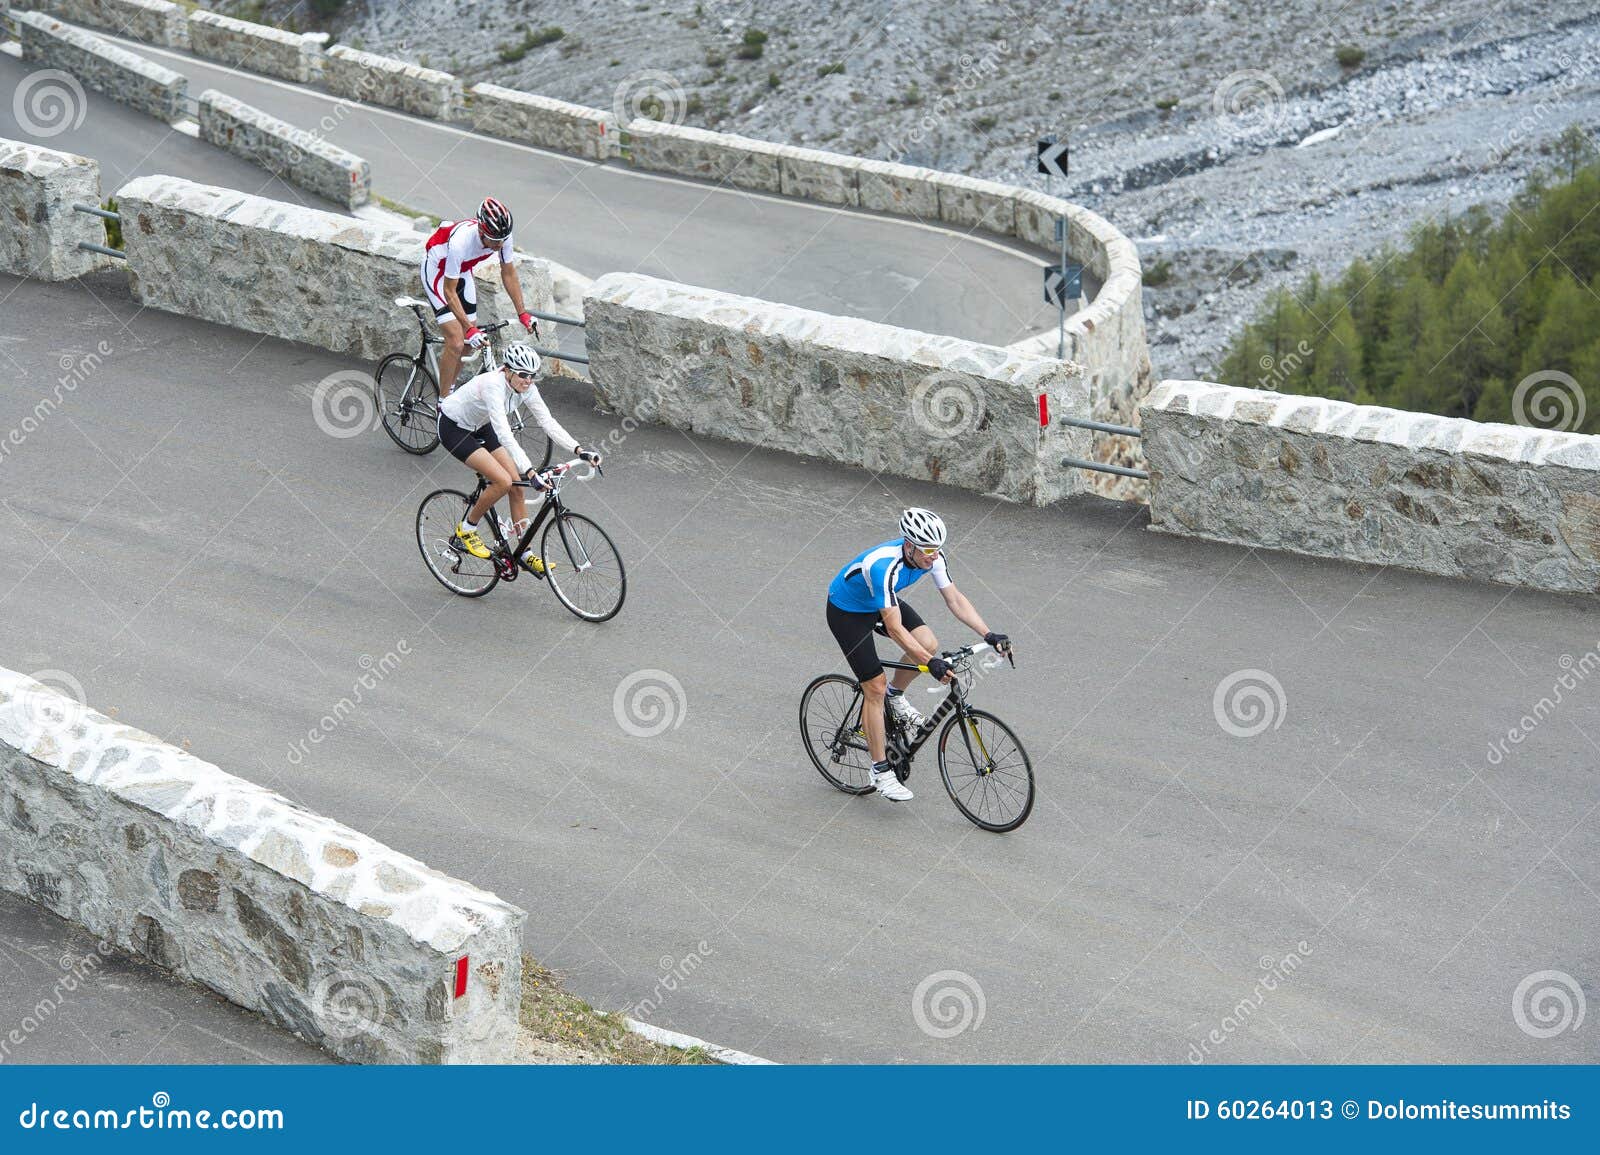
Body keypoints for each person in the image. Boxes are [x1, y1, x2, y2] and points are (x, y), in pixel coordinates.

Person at [825, 508, 1012, 802]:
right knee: (874, 686)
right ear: (908, 545)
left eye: (938, 550)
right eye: (927, 550)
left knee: (928, 642)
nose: (933, 557)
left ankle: (896, 695)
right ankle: (880, 771)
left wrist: (988, 634)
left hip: (877, 603)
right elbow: (896, 630)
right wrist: (930, 664)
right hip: (847, 611)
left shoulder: (932, 558)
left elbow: (954, 599)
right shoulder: (883, 565)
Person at [438, 342, 600, 575]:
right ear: (508, 370)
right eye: (523, 375)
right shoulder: (493, 385)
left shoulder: (527, 388)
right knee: (503, 481)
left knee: (516, 488)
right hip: (454, 427)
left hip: (481, 426)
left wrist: (578, 449)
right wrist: (531, 471)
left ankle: (524, 553)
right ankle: (466, 530)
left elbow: (547, 422)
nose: (528, 381)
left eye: (532, 376)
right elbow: (504, 433)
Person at [421, 197, 538, 396]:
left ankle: (449, 388)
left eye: (503, 239)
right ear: (481, 231)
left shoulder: (502, 237)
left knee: (468, 346)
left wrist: (523, 313)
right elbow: (449, 290)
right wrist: (468, 328)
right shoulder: (461, 243)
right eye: (494, 240)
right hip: (437, 272)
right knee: (457, 340)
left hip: (462, 271)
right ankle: (443, 402)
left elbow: (508, 272)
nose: (500, 244)